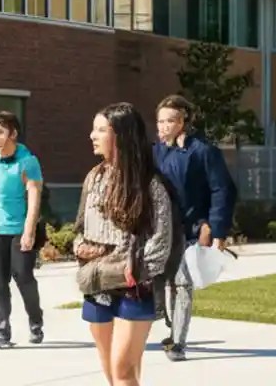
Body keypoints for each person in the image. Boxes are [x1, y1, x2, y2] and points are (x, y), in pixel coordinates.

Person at [74, 103, 175, 386]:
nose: (92, 136)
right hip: (96, 284)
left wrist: (131, 269)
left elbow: (160, 242)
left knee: (123, 371)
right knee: (112, 373)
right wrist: (81, 249)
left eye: (101, 130)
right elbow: (80, 227)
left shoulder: (150, 185)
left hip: (134, 288)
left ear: (121, 135)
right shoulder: (94, 177)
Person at [153, 94, 237, 362]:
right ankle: (173, 329)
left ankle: (178, 342)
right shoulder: (156, 151)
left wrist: (216, 228)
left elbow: (222, 190)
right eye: (160, 121)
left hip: (192, 227)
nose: (164, 126)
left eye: (170, 121)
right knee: (168, 283)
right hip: (161, 227)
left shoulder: (203, 151)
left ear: (184, 121)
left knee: (182, 283)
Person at [0, 111, 45, 349]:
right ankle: (2, 330)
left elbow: (34, 196)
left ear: (13, 133)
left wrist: (29, 231)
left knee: (23, 276)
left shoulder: (27, 161)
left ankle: (35, 320)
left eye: (0, 132)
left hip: (19, 229)